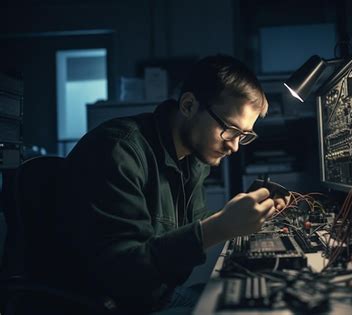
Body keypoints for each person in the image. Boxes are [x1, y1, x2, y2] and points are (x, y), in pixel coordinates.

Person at [53, 55, 288, 314]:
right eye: (230, 130)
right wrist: (219, 227)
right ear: (188, 105)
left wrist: (245, 216)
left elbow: (189, 227)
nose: (233, 146)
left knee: (263, 296)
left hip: (160, 298)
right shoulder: (117, 150)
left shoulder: (192, 160)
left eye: (243, 136)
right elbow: (122, 275)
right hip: (115, 306)